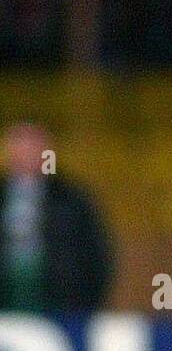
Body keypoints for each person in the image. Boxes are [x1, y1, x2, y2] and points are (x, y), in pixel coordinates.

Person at [0, 122, 114, 312]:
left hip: (59, 304)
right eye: (20, 145)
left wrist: (84, 304)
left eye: (33, 146)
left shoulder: (71, 198)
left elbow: (97, 255)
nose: (26, 153)